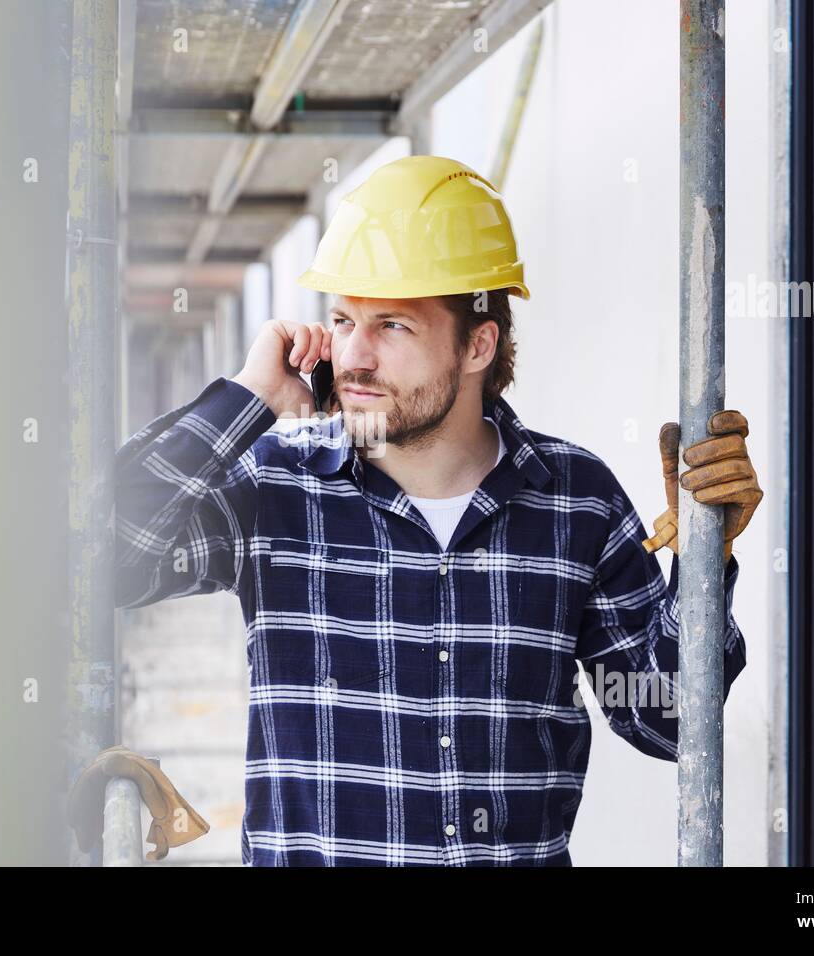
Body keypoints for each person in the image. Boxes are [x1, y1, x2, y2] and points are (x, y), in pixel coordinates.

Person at [112, 155, 763, 866]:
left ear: (479, 343)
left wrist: (707, 559)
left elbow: (669, 723)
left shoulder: (577, 499)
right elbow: (105, 560)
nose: (352, 356)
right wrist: (245, 396)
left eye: (392, 325)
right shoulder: (281, 486)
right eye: (342, 319)